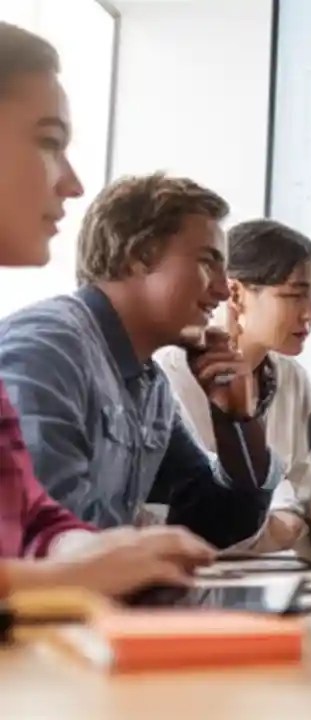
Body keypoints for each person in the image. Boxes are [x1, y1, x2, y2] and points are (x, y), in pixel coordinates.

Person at [0, 22, 214, 598]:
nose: (72, 183)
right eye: (49, 142)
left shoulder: (150, 383)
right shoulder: (42, 348)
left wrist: (90, 554)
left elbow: (36, 521)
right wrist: (73, 573)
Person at [0, 171, 285, 549]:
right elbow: (41, 542)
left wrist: (237, 421)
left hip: (83, 601)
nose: (222, 290)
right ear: (137, 258)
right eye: (207, 263)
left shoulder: (150, 385)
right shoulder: (45, 351)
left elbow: (218, 525)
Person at [155, 219, 311, 552]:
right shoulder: (170, 376)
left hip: (262, 572)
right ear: (235, 293)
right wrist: (274, 528)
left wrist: (287, 516)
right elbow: (190, 518)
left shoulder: (293, 379)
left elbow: (307, 495)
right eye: (295, 295)